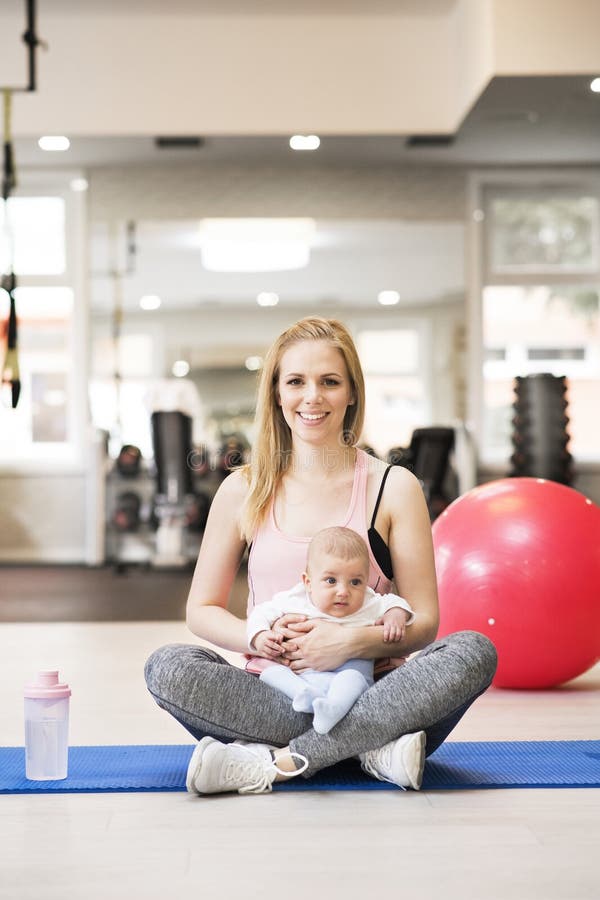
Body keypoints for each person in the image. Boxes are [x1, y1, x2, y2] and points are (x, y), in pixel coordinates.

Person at [144, 316, 497, 796]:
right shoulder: (241, 489)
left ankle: (273, 761)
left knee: (471, 651)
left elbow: (425, 622)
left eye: (329, 382)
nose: (312, 397)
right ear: (276, 393)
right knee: (168, 666)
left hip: (373, 691)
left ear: (351, 393)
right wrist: (258, 636)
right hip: (275, 695)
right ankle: (373, 751)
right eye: (296, 382)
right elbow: (201, 611)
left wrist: (347, 643)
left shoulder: (393, 486)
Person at [248, 525, 414, 734]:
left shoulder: (368, 602)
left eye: (355, 582)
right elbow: (260, 613)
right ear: (308, 582)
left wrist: (396, 614)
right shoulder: (296, 599)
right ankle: (305, 696)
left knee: (354, 679)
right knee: (271, 674)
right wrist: (260, 635)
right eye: (331, 581)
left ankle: (332, 710)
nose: (343, 591)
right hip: (302, 679)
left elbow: (395, 602)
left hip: (345, 680)